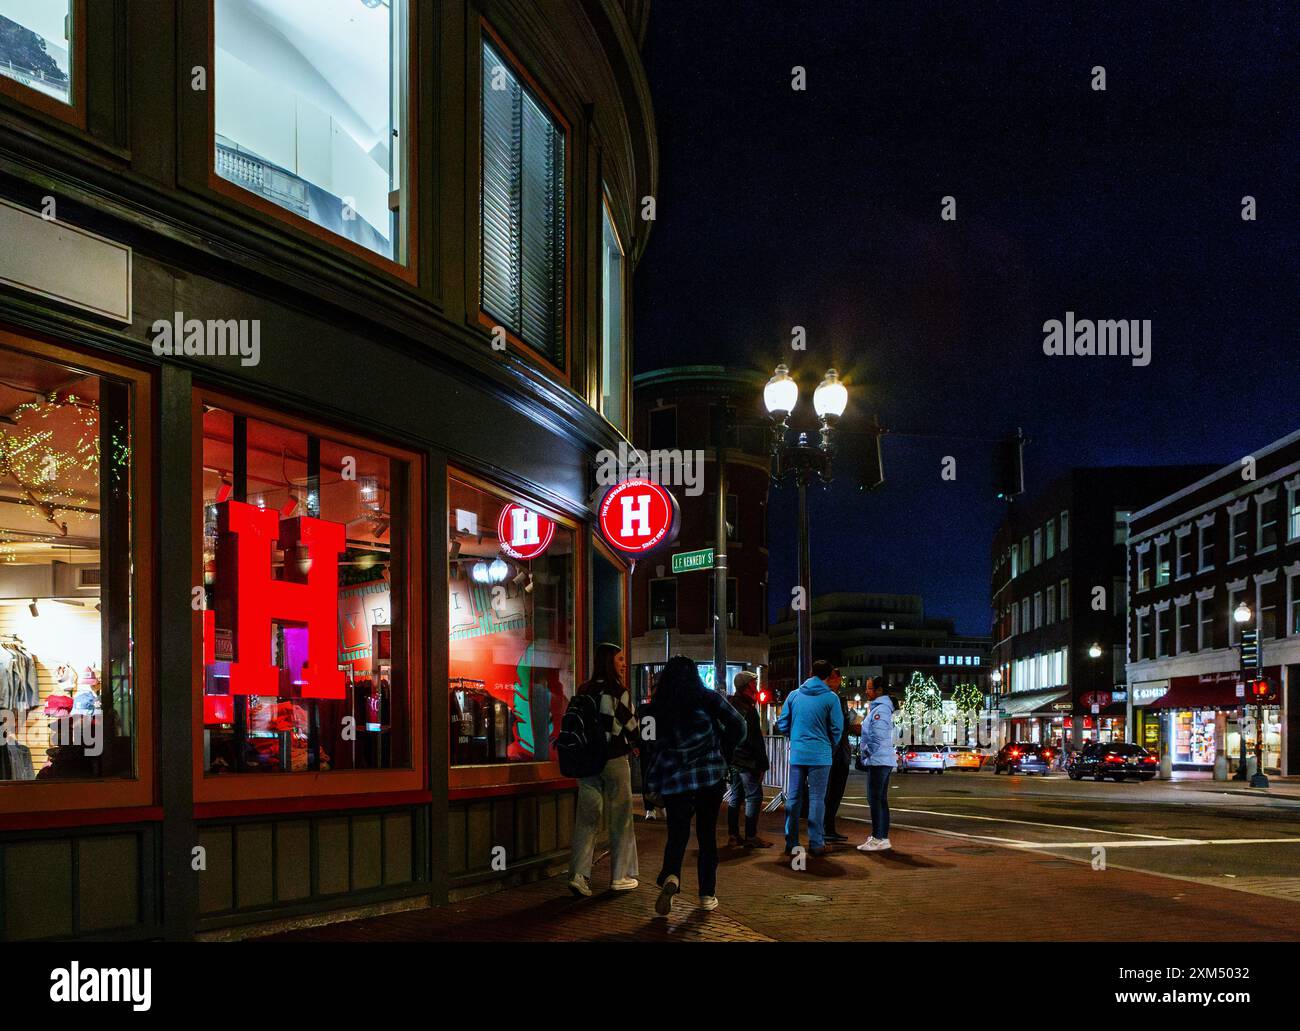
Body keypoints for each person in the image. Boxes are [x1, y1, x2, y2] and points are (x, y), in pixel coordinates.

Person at [643, 656, 746, 915]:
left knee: (677, 833)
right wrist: (725, 747)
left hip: (675, 780)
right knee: (706, 834)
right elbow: (739, 724)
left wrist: (652, 778)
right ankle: (707, 894)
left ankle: (671, 877)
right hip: (709, 777)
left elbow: (649, 744)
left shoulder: (657, 707)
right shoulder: (708, 699)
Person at [568, 642, 640, 897]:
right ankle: (620, 876)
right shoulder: (618, 692)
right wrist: (639, 744)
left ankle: (579, 875)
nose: (623, 663)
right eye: (620, 659)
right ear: (610, 661)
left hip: (587, 762)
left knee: (587, 819)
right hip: (613, 760)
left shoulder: (584, 690)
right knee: (621, 818)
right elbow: (632, 727)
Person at [775, 658, 843, 857]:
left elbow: (782, 723)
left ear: (811, 672)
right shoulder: (831, 698)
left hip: (798, 753)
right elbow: (837, 728)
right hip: (821, 755)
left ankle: (791, 841)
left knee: (794, 798)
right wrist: (830, 745)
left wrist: (794, 737)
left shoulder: (794, 695)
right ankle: (816, 842)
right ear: (829, 676)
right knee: (816, 799)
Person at [726, 671, 772, 849]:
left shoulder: (731, 705)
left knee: (735, 796)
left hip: (734, 758)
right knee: (754, 796)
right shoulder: (749, 711)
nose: (756, 686)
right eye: (753, 683)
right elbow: (755, 742)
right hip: (747, 761)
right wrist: (762, 764)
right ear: (746, 686)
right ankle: (751, 836)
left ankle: (733, 835)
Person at [856, 677, 895, 852]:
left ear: (879, 691)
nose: (866, 691)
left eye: (869, 688)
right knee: (880, 800)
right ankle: (881, 836)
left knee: (875, 799)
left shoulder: (881, 710)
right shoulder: (882, 708)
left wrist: (865, 752)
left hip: (878, 760)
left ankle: (878, 837)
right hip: (882, 759)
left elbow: (877, 736)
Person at [822, 668, 852, 842]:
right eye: (833, 678)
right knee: (828, 791)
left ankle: (829, 827)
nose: (836, 681)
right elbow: (838, 725)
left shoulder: (839, 699)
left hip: (840, 752)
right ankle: (825, 828)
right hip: (831, 751)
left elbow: (843, 724)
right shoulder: (828, 699)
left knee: (835, 791)